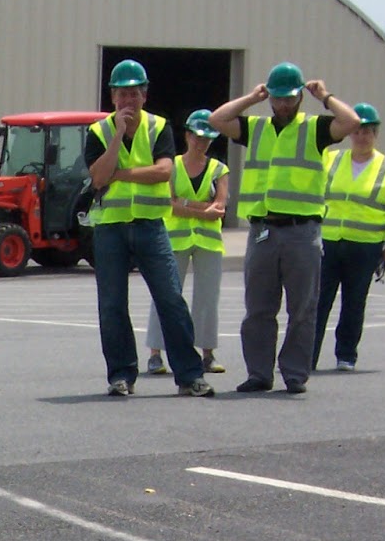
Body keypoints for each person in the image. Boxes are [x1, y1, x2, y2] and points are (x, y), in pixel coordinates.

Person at [208, 62, 360, 394]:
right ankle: (259, 373)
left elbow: (351, 121)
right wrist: (250, 98)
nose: (283, 105)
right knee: (259, 308)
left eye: (289, 99)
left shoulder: (315, 128)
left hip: (301, 232)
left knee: (302, 307)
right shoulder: (257, 128)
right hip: (263, 230)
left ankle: (294, 373)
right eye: (277, 99)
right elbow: (217, 120)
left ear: (299, 98)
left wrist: (325, 96)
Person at [85, 59, 212, 398]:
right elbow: (98, 177)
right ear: (112, 97)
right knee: (112, 304)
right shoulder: (99, 132)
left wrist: (120, 174)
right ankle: (121, 374)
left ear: (144, 95)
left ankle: (189, 374)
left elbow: (163, 171)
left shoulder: (159, 127)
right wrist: (116, 141)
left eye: (135, 94)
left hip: (150, 226)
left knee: (170, 297)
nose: (129, 100)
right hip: (111, 228)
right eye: (122, 94)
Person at [314, 102, 385, 372]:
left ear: (375, 134)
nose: (362, 137)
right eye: (357, 131)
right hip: (328, 242)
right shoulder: (332, 159)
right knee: (318, 302)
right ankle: (308, 356)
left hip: (364, 246)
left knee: (354, 302)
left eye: (368, 132)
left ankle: (346, 355)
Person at [145, 109, 229, 378]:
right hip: (176, 239)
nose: (201, 143)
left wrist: (185, 204)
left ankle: (207, 353)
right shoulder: (174, 166)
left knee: (207, 298)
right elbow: (167, 204)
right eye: (197, 136)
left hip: (208, 243)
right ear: (187, 135)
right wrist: (200, 209)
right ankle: (156, 354)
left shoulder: (219, 169)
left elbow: (220, 206)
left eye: (206, 138)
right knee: (167, 294)